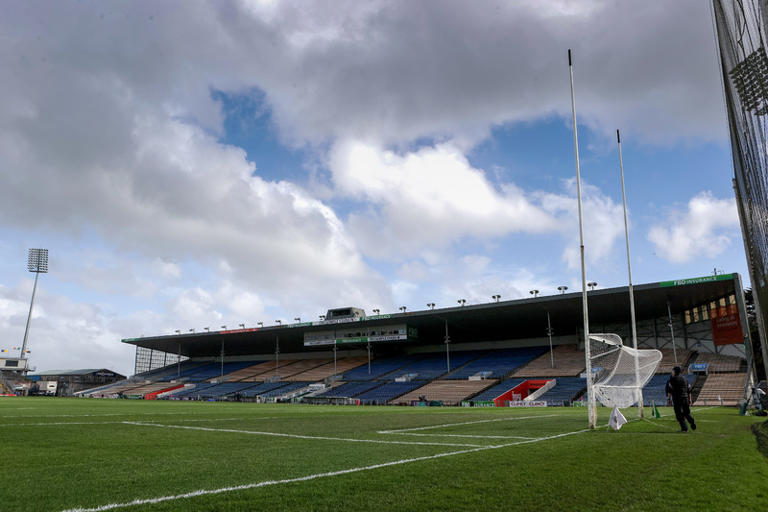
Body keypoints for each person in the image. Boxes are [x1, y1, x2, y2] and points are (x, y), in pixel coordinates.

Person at [666, 366, 696, 432]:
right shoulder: (685, 379)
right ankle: (691, 420)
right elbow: (689, 390)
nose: (672, 372)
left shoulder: (672, 379)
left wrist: (668, 399)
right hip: (685, 398)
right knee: (686, 413)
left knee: (679, 414)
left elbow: (669, 390)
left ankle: (684, 428)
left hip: (677, 399)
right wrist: (690, 399)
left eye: (672, 371)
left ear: (674, 371)